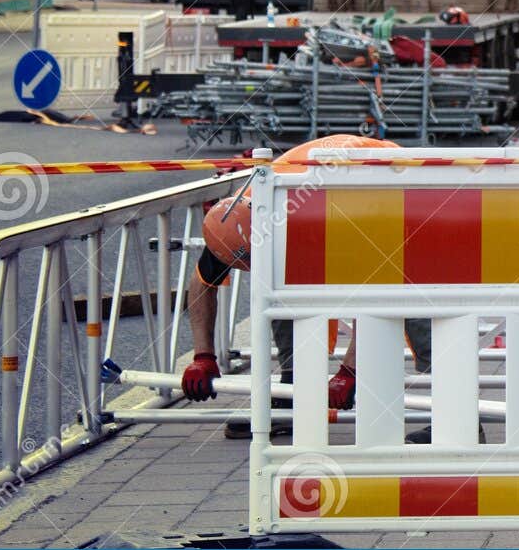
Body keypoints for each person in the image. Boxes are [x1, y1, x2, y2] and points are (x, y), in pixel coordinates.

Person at [182, 134, 434, 436]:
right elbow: (202, 284)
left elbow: (378, 290)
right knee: (281, 291)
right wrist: (203, 356)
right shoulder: (233, 220)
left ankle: (462, 421)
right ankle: (295, 398)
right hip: (325, 185)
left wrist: (350, 370)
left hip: (394, 184)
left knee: (421, 306)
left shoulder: (336, 215)